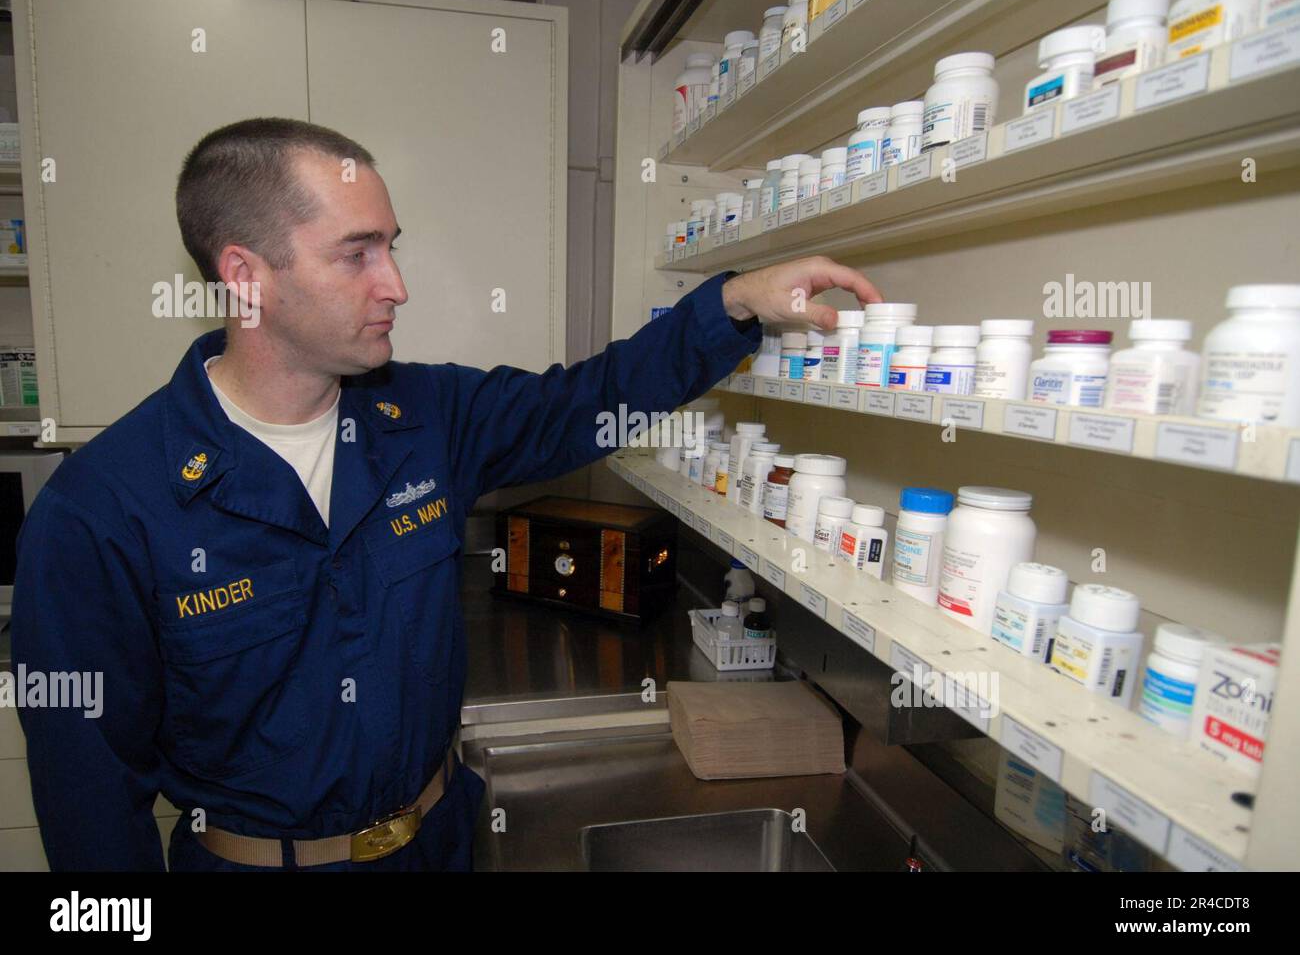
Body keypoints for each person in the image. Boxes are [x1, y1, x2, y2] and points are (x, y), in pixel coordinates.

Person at [12, 117, 881, 871]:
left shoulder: (422, 415)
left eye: (391, 245)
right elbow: (89, 810)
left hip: (437, 843)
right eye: (358, 253)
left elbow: (585, 401)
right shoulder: (102, 511)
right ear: (245, 275)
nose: (395, 283)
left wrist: (731, 306)